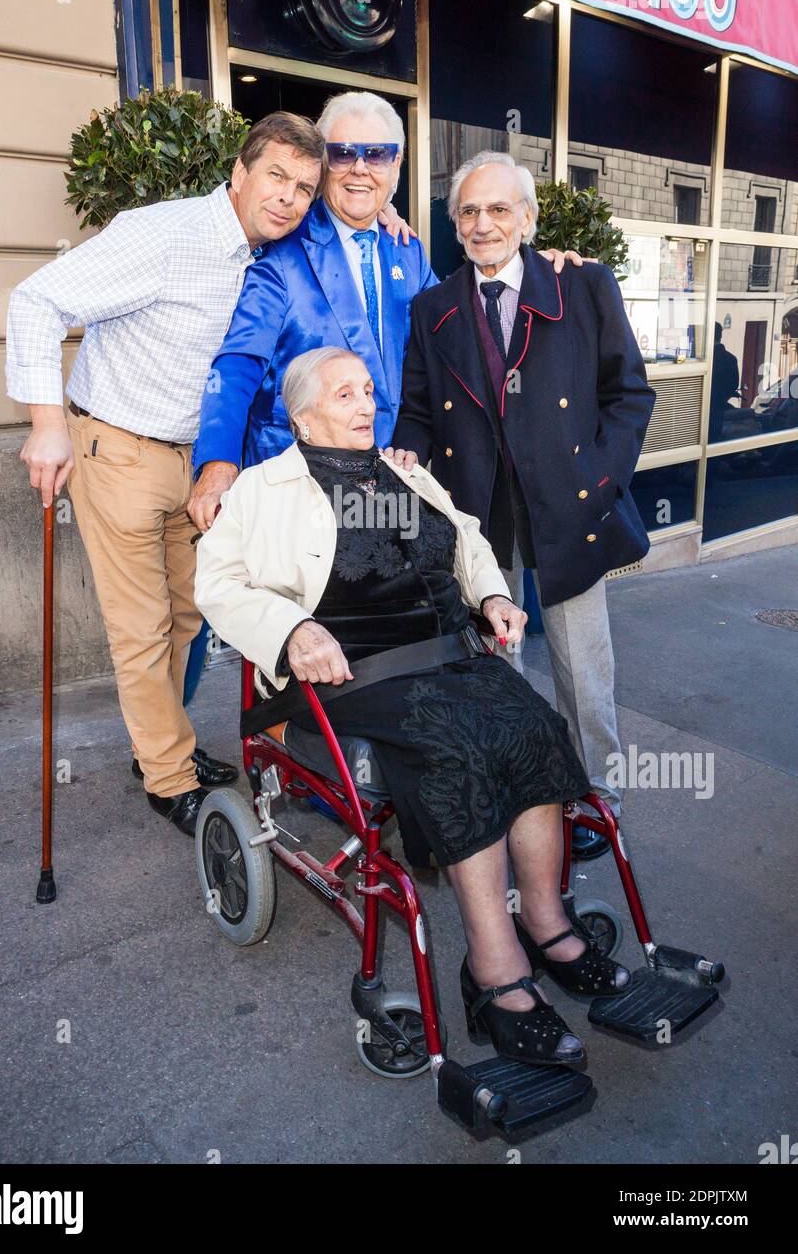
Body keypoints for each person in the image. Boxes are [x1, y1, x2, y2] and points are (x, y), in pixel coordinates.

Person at [194, 347, 632, 1066]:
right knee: (457, 748)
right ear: (303, 415)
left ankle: (547, 924)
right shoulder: (261, 489)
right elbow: (216, 583)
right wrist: (292, 629)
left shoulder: (403, 471)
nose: (367, 404)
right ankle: (493, 976)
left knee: (532, 726)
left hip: (447, 655)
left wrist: (491, 594)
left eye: (368, 390)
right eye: (345, 396)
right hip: (346, 676)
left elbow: (468, 542)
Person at [5, 112, 327, 837]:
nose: (289, 198)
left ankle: (160, 746)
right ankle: (168, 777)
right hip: (116, 448)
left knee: (191, 614)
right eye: (276, 176)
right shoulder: (163, 232)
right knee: (143, 629)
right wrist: (47, 426)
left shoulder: (271, 249)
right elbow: (37, 300)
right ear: (240, 174)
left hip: (198, 465)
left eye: (305, 187)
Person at [391, 151, 655, 859]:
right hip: (482, 513)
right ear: (455, 225)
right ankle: (523, 795)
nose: (483, 224)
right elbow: (417, 408)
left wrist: (602, 481)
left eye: (499, 209)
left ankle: (599, 799)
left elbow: (629, 394)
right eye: (469, 212)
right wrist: (408, 455)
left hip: (570, 506)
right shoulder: (433, 307)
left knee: (583, 668)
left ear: (528, 218)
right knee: (496, 671)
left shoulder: (585, 285)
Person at [188, 91, 585, 531]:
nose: (360, 168)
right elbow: (238, 367)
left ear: (396, 167)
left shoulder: (406, 249)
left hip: (393, 482)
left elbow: (460, 324)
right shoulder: (282, 257)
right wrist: (218, 465)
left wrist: (526, 268)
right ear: (323, 168)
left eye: (377, 154)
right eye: (342, 153)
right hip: (302, 487)